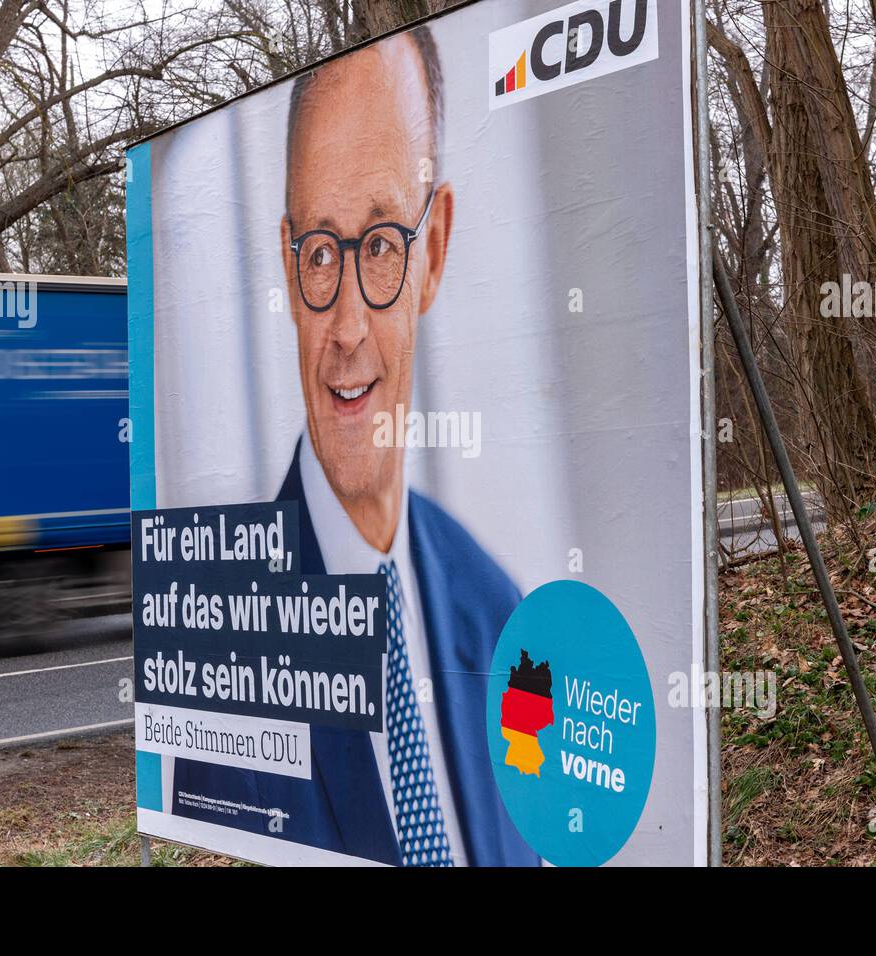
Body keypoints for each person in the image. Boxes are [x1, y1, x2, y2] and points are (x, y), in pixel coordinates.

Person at [172, 26, 537, 867]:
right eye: (317, 254)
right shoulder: (222, 649)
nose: (342, 329)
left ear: (433, 251)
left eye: (378, 247)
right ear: (286, 263)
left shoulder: (503, 618)